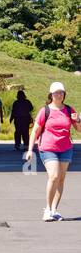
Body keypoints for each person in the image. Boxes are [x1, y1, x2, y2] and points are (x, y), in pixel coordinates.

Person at [26, 81, 81, 221]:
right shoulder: (45, 110)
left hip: (65, 148)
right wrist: (30, 150)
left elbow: (79, 130)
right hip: (48, 147)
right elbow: (35, 131)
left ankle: (54, 210)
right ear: (51, 94)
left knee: (61, 179)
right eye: (56, 92)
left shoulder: (69, 110)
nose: (59, 95)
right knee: (54, 176)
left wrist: (78, 120)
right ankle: (48, 209)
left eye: (61, 92)